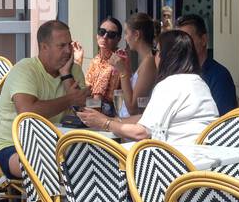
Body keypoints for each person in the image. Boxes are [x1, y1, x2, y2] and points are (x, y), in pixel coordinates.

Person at [78, 29, 218, 144]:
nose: (154, 56)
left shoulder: (169, 85)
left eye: (156, 51)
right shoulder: (199, 83)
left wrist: (105, 123)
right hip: (202, 158)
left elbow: (141, 132)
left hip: (178, 163)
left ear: (166, 56)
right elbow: (148, 118)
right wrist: (113, 120)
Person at [0, 19, 87, 179]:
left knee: (93, 160)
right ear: (44, 47)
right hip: (12, 146)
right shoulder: (25, 68)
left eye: (69, 44)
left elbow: (83, 111)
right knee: (46, 166)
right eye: (61, 46)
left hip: (54, 144)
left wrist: (66, 75)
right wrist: (70, 99)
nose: (68, 51)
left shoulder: (72, 70)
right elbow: (27, 112)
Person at [176, 13, 237, 115]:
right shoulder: (177, 75)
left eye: (187, 39)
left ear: (203, 40)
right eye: (179, 40)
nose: (182, 45)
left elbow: (224, 122)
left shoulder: (219, 76)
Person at [81, 15, 128, 114]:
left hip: (108, 116)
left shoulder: (118, 59)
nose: (105, 37)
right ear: (97, 34)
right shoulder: (96, 59)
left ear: (118, 39)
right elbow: (86, 90)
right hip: (92, 112)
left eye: (111, 35)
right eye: (102, 32)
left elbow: (97, 101)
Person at [116, 12, 159, 117]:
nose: (125, 38)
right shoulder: (146, 60)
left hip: (132, 126)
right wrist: (127, 68)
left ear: (136, 35)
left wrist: (123, 72)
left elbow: (133, 108)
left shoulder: (149, 61)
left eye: (126, 33)